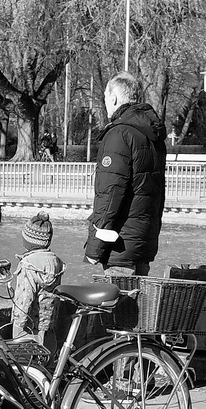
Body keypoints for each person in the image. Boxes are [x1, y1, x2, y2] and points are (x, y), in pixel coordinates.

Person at [84, 73, 166, 277]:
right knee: (138, 306)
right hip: (143, 241)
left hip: (120, 245)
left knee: (116, 305)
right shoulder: (153, 136)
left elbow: (110, 195)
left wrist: (94, 249)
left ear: (113, 98)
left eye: (105, 98)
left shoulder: (119, 134)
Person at [11, 212, 63, 344]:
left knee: (23, 363)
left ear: (29, 240)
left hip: (27, 329)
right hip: (48, 327)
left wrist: (18, 323)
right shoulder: (56, 262)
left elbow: (25, 298)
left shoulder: (28, 265)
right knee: (47, 361)